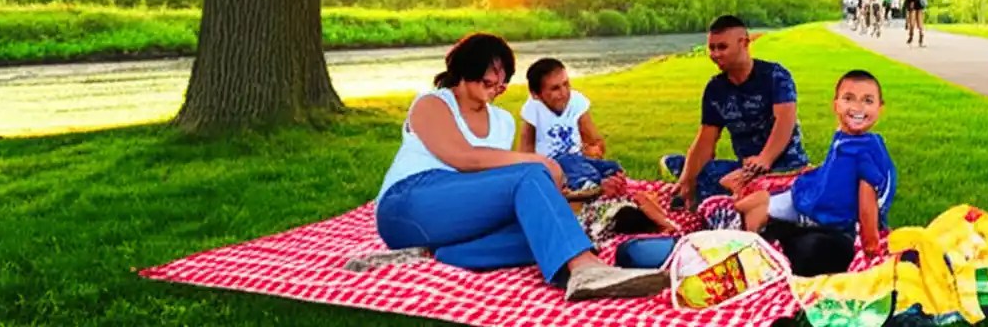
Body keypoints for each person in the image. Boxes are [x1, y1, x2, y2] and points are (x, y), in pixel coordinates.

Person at [374, 33, 668, 301]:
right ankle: (586, 271)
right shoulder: (432, 104)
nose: (498, 89)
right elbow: (464, 158)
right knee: (534, 182)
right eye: (489, 82)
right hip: (407, 204)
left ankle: (434, 253)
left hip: (457, 221)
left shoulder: (501, 121)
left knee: (557, 233)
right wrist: (540, 162)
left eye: (503, 83)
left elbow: (495, 184)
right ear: (465, 73)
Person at [731, 70, 895, 275]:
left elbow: (867, 201)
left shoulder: (864, 151)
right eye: (848, 99)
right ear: (835, 105)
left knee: (756, 212)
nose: (857, 107)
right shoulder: (846, 136)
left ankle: (746, 252)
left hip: (818, 212)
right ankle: (737, 211)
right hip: (808, 193)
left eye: (867, 101)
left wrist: (871, 246)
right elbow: (836, 166)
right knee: (747, 203)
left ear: (880, 108)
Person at [661, 15, 810, 208]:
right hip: (745, 167)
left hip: (783, 164)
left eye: (722, 47)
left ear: (744, 43)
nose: (715, 54)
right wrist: (688, 178)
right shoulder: (715, 88)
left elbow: (785, 121)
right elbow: (706, 138)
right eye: (712, 48)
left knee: (730, 187)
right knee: (695, 170)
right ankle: (698, 180)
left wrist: (765, 158)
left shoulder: (774, 76)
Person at [519, 57, 622, 197]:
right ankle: (587, 185)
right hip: (551, 166)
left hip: (579, 161)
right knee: (566, 160)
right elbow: (525, 151)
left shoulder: (576, 102)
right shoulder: (533, 109)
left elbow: (596, 142)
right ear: (536, 94)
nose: (564, 92)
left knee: (612, 167)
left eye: (566, 84)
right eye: (555, 88)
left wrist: (594, 150)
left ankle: (593, 182)